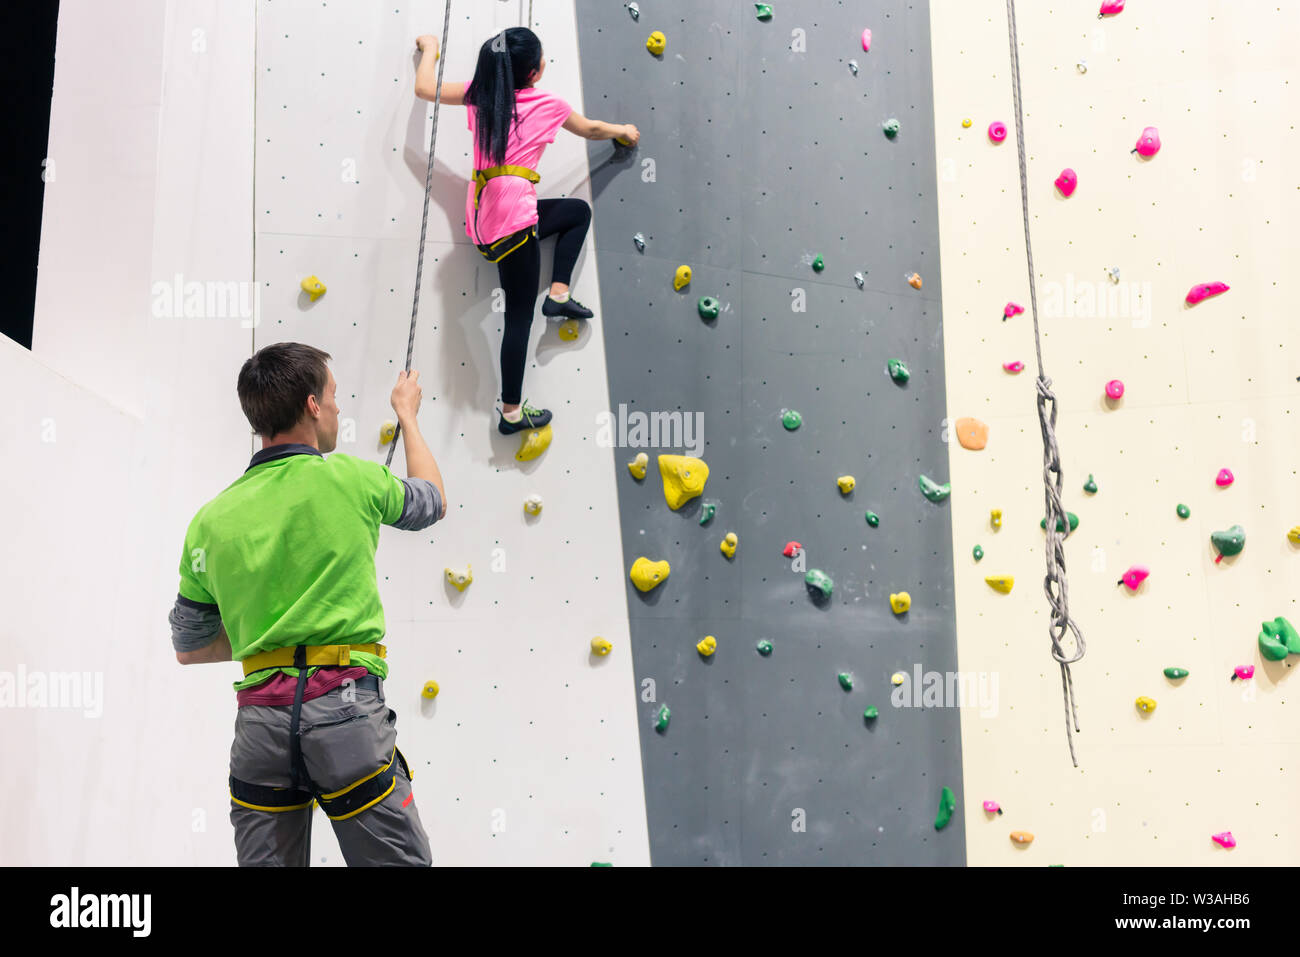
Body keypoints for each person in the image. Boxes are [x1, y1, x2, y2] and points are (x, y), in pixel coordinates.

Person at [167, 342, 447, 866]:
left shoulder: (211, 520)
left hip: (260, 731)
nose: (338, 409)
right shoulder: (351, 479)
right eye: (335, 396)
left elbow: (189, 647)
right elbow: (430, 498)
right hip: (345, 715)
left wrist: (266, 633)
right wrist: (406, 413)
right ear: (313, 406)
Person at [414, 27, 640, 435]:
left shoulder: (482, 94)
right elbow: (589, 129)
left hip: (485, 218)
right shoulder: (547, 103)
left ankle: (558, 294)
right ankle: (512, 412)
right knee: (518, 319)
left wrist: (430, 48)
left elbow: (424, 88)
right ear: (535, 73)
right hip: (515, 218)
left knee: (574, 212)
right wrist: (622, 131)